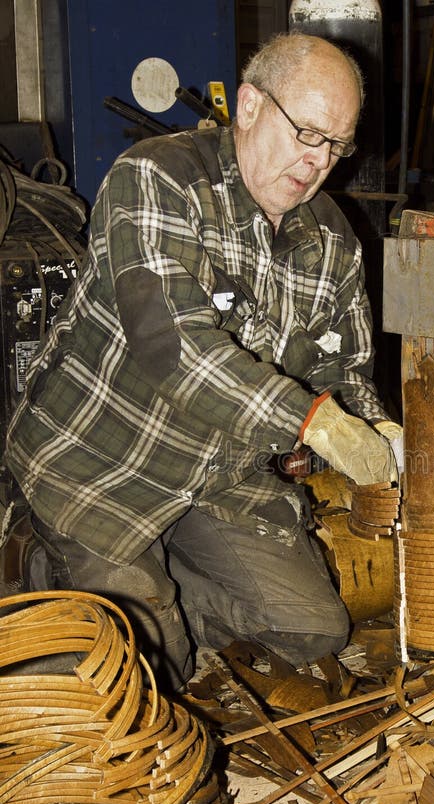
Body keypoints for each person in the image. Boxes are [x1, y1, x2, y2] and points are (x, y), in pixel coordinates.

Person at [3, 32, 402, 692]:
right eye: (305, 132)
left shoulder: (331, 238)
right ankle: (56, 570)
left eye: (336, 144)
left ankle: (150, 598)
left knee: (314, 628)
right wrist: (316, 425)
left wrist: (374, 427)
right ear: (249, 106)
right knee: (149, 671)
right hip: (100, 464)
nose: (317, 161)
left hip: (217, 475)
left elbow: (342, 367)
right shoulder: (157, 179)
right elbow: (178, 349)